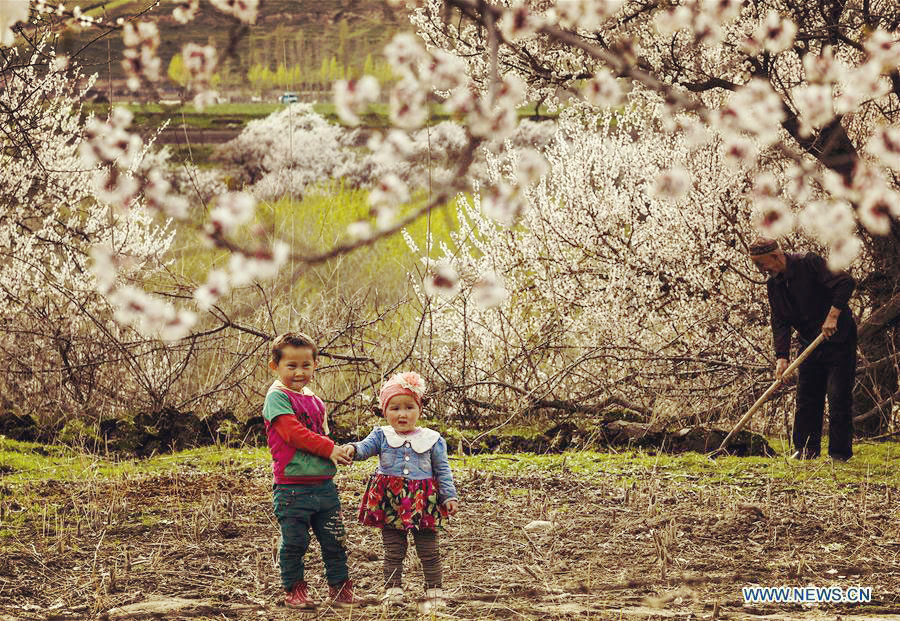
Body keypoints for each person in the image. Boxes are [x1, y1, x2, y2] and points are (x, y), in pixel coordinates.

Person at [343, 371, 459, 611]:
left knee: (428, 549)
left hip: (423, 502)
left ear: (420, 409)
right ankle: (392, 589)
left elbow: (443, 470)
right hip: (390, 502)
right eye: (394, 408)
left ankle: (434, 590)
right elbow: (365, 448)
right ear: (385, 411)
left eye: (409, 407)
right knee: (393, 549)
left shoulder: (432, 439)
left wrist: (449, 495)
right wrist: (354, 449)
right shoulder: (381, 435)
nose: (402, 414)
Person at [262, 332, 357, 609]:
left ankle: (340, 589)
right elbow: (293, 434)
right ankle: (294, 590)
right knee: (294, 542)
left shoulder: (314, 400)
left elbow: (320, 433)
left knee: (335, 540)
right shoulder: (277, 397)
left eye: (306, 365)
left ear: (315, 364)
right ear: (275, 366)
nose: (299, 372)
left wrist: (338, 451)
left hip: (324, 485)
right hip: (292, 487)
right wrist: (329, 449)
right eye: (291, 366)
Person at [749, 237, 857, 461]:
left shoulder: (809, 263)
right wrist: (781, 357)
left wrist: (833, 316)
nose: (760, 269)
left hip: (839, 338)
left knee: (838, 395)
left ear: (776, 256)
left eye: (761, 263)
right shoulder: (773, 283)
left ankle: (839, 454)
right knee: (807, 396)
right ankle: (806, 450)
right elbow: (779, 320)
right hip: (809, 340)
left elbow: (846, 282)